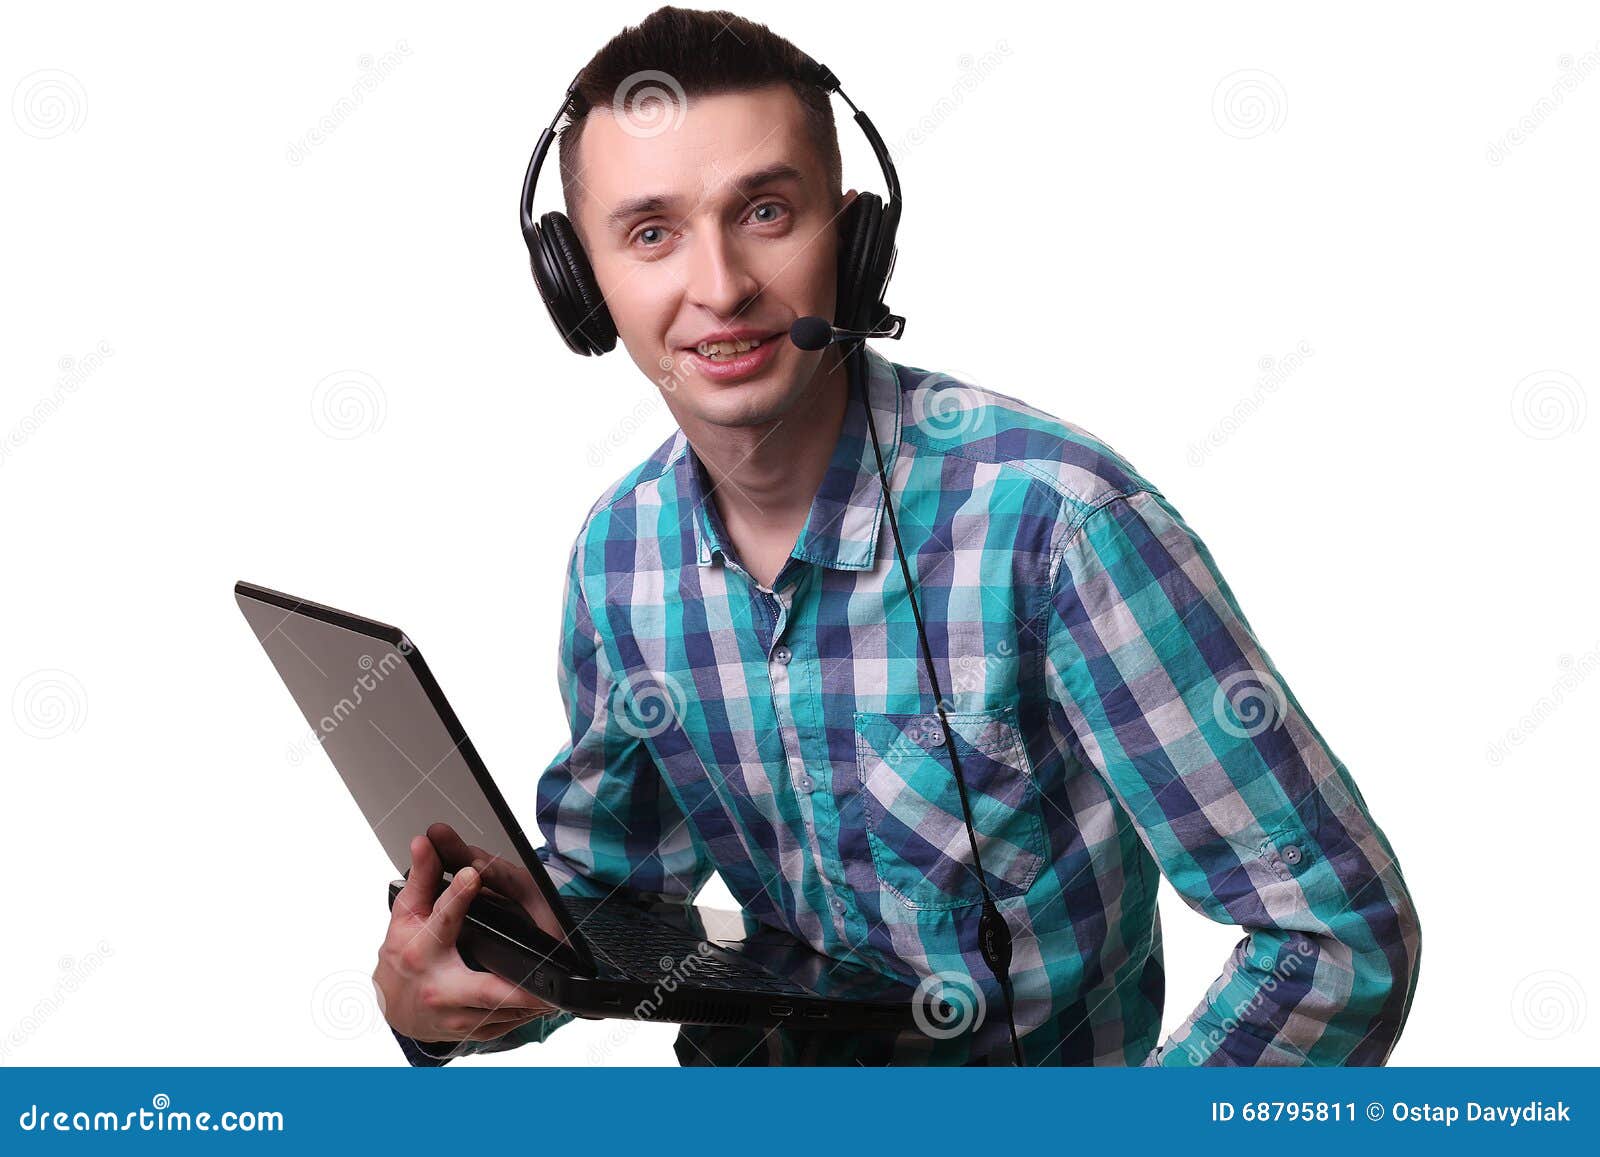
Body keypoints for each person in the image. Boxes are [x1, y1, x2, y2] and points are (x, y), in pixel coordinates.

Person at [375, 5, 1421, 1066]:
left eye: (768, 212)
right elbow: (613, 897)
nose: (722, 285)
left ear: (854, 240)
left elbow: (1335, 937)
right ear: (579, 284)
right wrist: (471, 977)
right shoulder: (620, 557)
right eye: (651, 233)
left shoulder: (1056, 524)